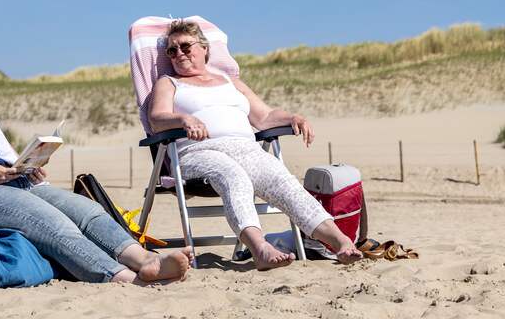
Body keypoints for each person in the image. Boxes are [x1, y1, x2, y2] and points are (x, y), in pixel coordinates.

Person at [0, 56, 191, 284]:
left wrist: (26, 167)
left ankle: (143, 260)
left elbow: (1, 161)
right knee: (52, 223)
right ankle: (121, 276)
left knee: (84, 211)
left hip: (8, 186)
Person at [148, 20, 362, 270]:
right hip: (198, 152)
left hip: (245, 149)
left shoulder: (230, 82)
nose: (178, 54)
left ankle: (340, 242)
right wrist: (183, 119)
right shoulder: (169, 82)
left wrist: (293, 118)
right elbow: (156, 119)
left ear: (205, 48)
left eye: (185, 46)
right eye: (171, 51)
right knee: (233, 176)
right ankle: (259, 248)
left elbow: (264, 117)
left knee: (281, 179)